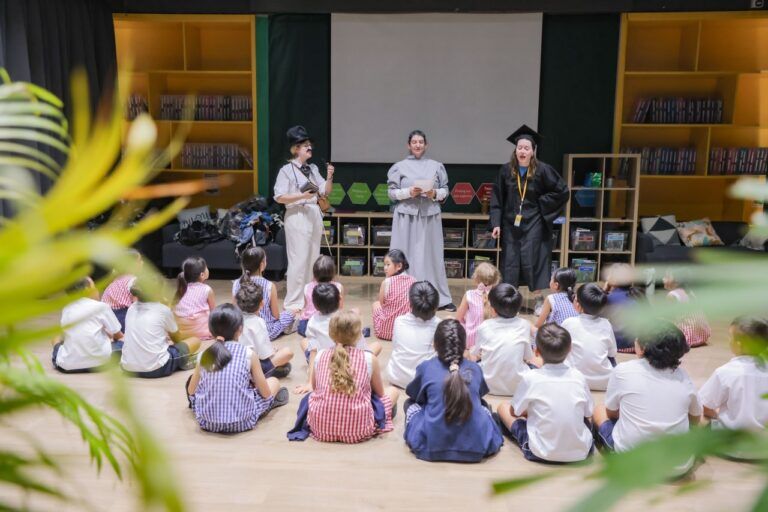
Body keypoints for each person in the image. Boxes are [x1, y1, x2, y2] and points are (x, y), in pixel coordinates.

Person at [489, 125, 569, 310]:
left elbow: (562, 191)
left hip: (534, 223)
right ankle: (510, 300)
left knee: (535, 259)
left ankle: (539, 299)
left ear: (533, 151)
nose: (522, 151)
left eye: (527, 148)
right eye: (520, 148)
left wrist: (542, 203)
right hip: (511, 224)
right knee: (510, 261)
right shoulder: (506, 171)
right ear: (515, 150)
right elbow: (497, 198)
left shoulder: (543, 170)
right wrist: (496, 223)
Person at [593, 322, 702, 456]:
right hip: (678, 466)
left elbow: (611, 413)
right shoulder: (684, 378)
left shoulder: (623, 371)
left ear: (643, 348)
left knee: (599, 410)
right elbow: (695, 419)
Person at [404, 319, 503, 462]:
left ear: (435, 345)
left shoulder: (426, 367)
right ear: (464, 347)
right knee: (483, 405)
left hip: (429, 447)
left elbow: (415, 395)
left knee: (409, 404)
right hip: (478, 446)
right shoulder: (475, 368)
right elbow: (479, 394)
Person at [496, 323, 594, 463]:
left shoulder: (531, 378)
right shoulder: (579, 377)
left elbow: (514, 412)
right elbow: (588, 413)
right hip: (582, 452)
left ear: (536, 352)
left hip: (540, 452)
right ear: (570, 349)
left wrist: (529, 412)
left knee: (503, 408)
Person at [186, 304, 289, 433]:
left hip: (207, 422)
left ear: (211, 331)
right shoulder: (249, 354)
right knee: (274, 382)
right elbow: (266, 393)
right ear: (240, 329)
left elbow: (191, 391)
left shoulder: (204, 355)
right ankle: (266, 407)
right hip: (243, 422)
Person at [387, 130, 454, 311]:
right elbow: (391, 193)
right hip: (405, 217)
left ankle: (437, 298)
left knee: (431, 256)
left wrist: (434, 193)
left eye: (421, 142)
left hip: (429, 216)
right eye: (414, 142)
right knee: (404, 254)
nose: (417, 145)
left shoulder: (436, 166)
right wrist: (408, 192)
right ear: (409, 145)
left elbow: (445, 190)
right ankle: (402, 297)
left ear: (426, 145)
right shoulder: (399, 166)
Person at [306, 310, 398, 443]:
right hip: (358, 430)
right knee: (393, 392)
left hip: (321, 429)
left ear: (331, 334)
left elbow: (315, 388)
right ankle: (383, 416)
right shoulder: (369, 358)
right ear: (358, 335)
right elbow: (380, 393)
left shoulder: (320, 355)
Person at [273, 125, 334, 310]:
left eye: (310, 145)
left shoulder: (313, 168)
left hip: (314, 213)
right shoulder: (286, 170)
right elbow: (279, 196)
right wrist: (302, 196)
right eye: (305, 145)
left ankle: (309, 299)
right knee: (298, 260)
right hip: (297, 214)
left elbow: (325, 191)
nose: (310, 148)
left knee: (313, 258)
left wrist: (330, 177)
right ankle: (293, 302)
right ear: (296, 148)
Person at [296, 283, 381, 394]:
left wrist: (310, 383)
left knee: (304, 342)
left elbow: (313, 353)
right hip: (351, 362)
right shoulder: (349, 319)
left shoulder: (313, 321)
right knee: (377, 346)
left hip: (324, 363)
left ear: (315, 305)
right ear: (340, 299)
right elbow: (362, 349)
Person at [121, 278, 202, 378]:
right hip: (157, 369)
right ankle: (182, 361)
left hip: (127, 368)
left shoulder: (131, 308)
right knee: (195, 340)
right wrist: (192, 333)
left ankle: (180, 361)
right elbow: (177, 339)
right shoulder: (163, 310)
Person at [699, 316, 768, 431]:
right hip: (761, 439)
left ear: (738, 345)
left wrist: (716, 414)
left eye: (730, 338)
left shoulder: (724, 372)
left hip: (731, 437)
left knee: (699, 418)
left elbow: (705, 406)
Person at [469, 283, 534, 396]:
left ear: (493, 310)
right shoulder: (525, 325)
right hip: (517, 387)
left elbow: (476, 353)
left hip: (487, 386)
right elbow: (528, 357)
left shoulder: (484, 326)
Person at [52, 277, 123, 373]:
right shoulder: (101, 307)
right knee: (123, 344)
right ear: (87, 289)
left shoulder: (67, 308)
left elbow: (66, 336)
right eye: (94, 286)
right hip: (101, 364)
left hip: (68, 366)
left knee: (56, 339)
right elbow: (118, 336)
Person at [233, 246, 297, 340]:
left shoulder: (236, 283)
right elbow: (276, 315)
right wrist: (289, 313)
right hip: (265, 332)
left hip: (241, 331)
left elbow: (234, 311)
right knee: (289, 314)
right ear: (262, 265)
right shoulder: (269, 286)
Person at [562, 283, 617, 391]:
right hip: (605, 382)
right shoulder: (606, 324)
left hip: (575, 380)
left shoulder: (569, 323)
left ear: (578, 305)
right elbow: (612, 353)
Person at [386, 281, 441, 389]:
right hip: (424, 381)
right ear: (435, 307)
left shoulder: (399, 321)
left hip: (396, 377)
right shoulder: (439, 325)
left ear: (410, 304)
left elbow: (396, 346)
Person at [235, 281, 294, 379]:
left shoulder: (234, 318)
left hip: (236, 364)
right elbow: (264, 354)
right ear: (262, 303)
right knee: (287, 353)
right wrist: (273, 352)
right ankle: (264, 374)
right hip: (252, 367)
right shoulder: (259, 322)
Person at [372, 249, 417, 341]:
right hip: (404, 333)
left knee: (375, 304)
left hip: (384, 333)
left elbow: (381, 304)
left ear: (399, 266)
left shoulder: (386, 282)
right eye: (384, 265)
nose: (385, 268)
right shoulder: (414, 281)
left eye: (388, 264)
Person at [456, 262, 501, 349]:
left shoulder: (469, 295)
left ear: (475, 279)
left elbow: (458, 318)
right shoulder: (497, 296)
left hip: (470, 341)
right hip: (492, 341)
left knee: (454, 321)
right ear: (496, 281)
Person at [663, 269, 711, 348]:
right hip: (701, 335)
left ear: (676, 282)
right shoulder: (689, 292)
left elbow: (668, 316)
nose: (663, 279)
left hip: (685, 337)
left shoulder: (672, 295)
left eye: (666, 277)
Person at [298, 255, 344, 337]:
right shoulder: (338, 287)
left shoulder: (307, 287)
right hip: (332, 324)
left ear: (314, 274)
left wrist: (301, 313)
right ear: (333, 273)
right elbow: (340, 308)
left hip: (308, 324)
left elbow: (305, 307)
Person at [173, 256, 215, 340]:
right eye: (206, 267)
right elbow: (213, 311)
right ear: (202, 275)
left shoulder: (183, 287)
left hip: (180, 327)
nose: (208, 269)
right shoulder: (207, 289)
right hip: (198, 328)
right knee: (208, 313)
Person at [101, 249, 142, 332]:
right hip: (123, 320)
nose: (142, 263)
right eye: (140, 260)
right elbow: (138, 306)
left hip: (109, 322)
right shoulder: (134, 280)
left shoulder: (114, 282)